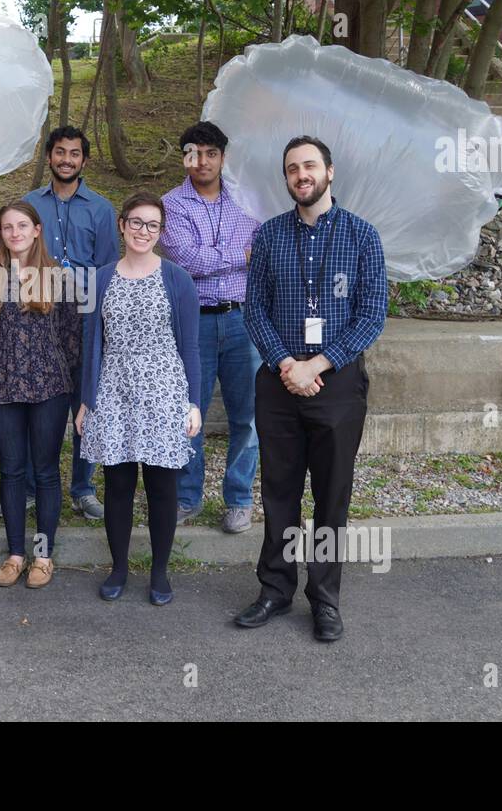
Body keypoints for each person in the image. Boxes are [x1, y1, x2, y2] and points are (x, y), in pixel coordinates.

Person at [237, 136, 387, 642]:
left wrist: (317, 364)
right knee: (279, 492)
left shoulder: (363, 237)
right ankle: (275, 590)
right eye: (292, 169)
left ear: (329, 171)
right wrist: (285, 363)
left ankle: (324, 599)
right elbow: (253, 307)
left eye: (309, 165)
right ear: (286, 179)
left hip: (337, 384)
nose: (301, 175)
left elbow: (371, 315)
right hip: (279, 384)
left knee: (330, 496)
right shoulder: (271, 236)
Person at [76, 192, 201, 606]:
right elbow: (91, 342)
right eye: (136, 222)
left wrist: (194, 402)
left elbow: (191, 347)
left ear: (160, 231)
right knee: (118, 484)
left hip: (164, 392)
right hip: (113, 390)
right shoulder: (100, 279)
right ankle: (119, 567)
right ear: (122, 224)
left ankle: (160, 571)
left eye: (152, 225)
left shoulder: (177, 279)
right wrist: (86, 400)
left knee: (163, 486)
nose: (143, 231)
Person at [159, 121, 262, 533]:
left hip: (243, 321)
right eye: (193, 153)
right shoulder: (170, 205)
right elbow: (188, 260)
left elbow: (264, 251)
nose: (201, 161)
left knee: (248, 418)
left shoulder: (248, 201)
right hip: (193, 324)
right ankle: (188, 497)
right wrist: (242, 254)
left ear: (222, 157)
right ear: (184, 157)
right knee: (188, 413)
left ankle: (239, 499)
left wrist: (226, 254)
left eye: (210, 153)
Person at [0, 202, 82, 589]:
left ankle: (42, 554)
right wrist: (8, 368)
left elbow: (73, 338)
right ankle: (16, 553)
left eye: (23, 225)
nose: (15, 233)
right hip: (3, 390)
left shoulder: (59, 279)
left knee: (45, 471)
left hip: (49, 389)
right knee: (12, 471)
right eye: (7, 227)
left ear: (37, 230)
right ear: (1, 234)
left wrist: (52, 371)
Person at [23, 126, 120, 521]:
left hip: (84, 321)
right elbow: (10, 254)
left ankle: (82, 488)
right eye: (60, 152)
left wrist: (102, 325)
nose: (66, 159)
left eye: (74, 153)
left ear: (84, 160)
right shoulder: (29, 205)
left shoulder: (100, 208)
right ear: (49, 156)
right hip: (39, 321)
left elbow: (108, 271)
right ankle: (31, 488)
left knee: (86, 407)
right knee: (39, 407)